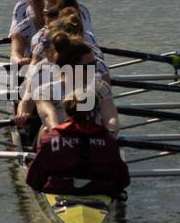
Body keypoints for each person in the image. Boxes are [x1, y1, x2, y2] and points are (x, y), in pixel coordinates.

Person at [25, 31, 129, 198]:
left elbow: (111, 116)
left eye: (95, 64)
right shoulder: (46, 91)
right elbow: (48, 116)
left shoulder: (100, 88)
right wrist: (62, 135)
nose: (95, 70)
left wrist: (110, 135)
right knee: (45, 131)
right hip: (59, 145)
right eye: (89, 66)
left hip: (92, 143)